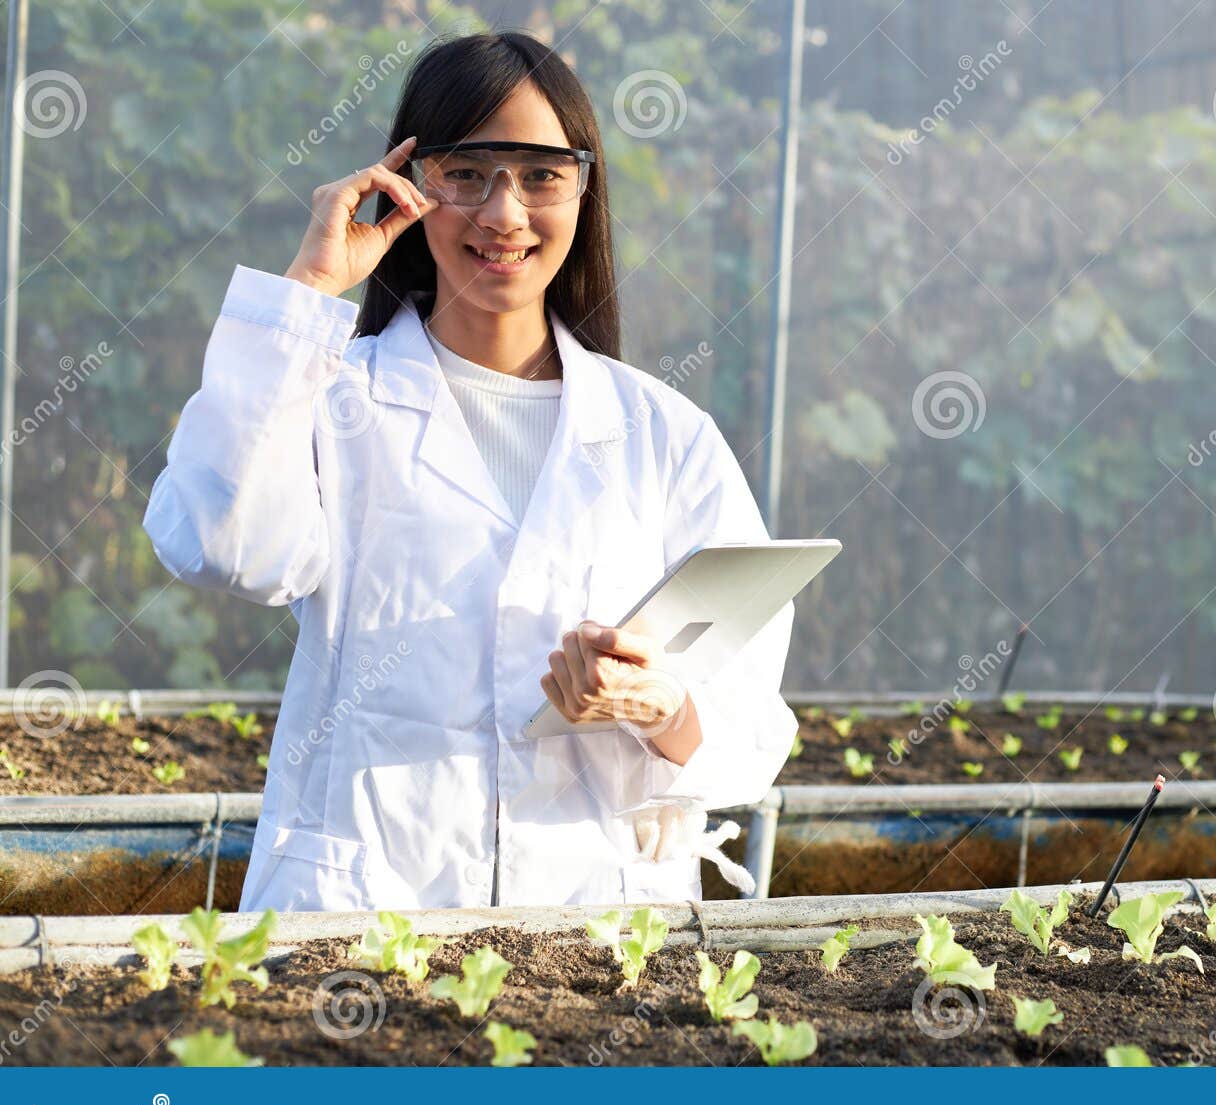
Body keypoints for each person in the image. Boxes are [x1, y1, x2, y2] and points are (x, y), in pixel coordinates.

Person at [142, 31, 798, 913]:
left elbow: (754, 715)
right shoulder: (335, 400)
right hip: (365, 916)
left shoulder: (664, 436)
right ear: (409, 186)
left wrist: (659, 702)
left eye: (540, 176)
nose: (504, 214)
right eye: (467, 173)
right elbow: (224, 544)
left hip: (594, 922)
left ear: (583, 189)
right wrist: (310, 286)